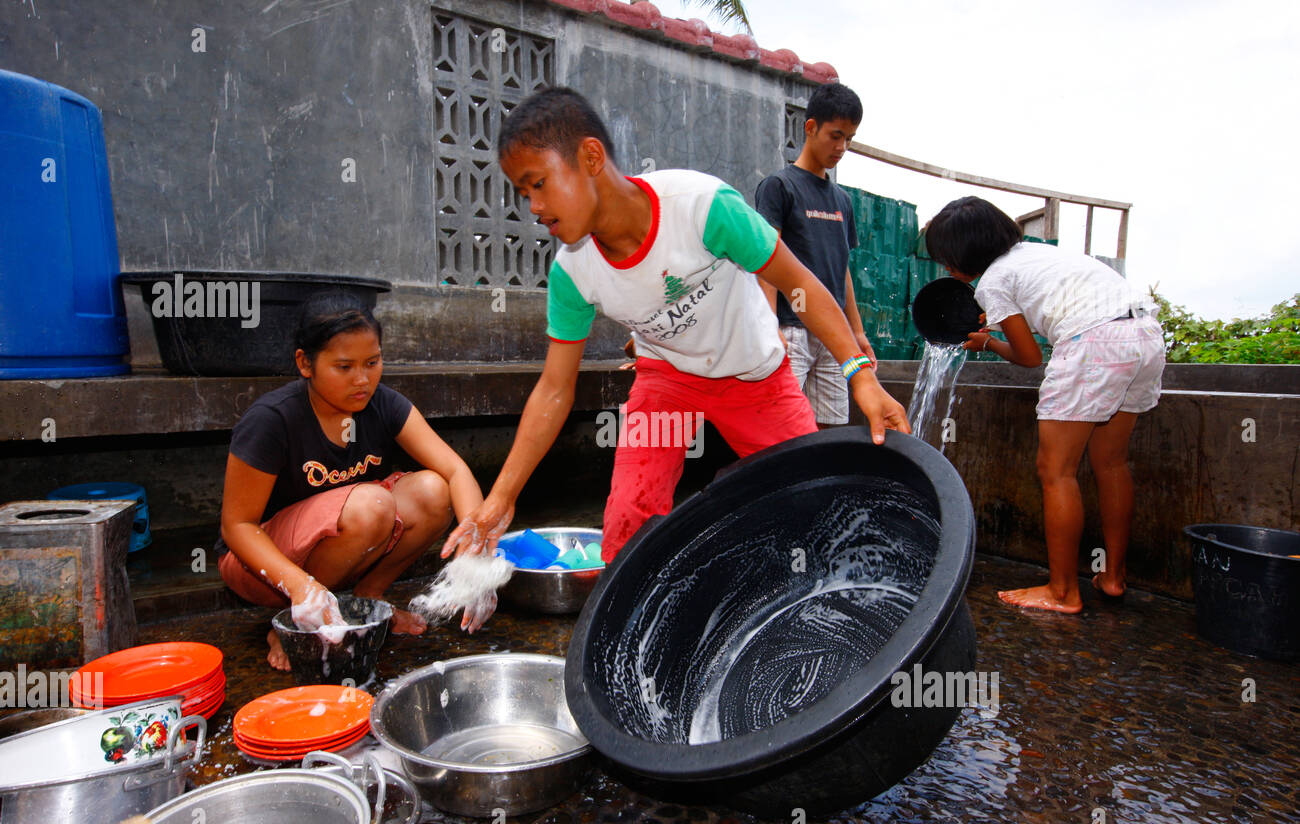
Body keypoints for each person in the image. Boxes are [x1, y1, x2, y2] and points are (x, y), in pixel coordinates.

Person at [443, 87, 910, 564]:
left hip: (756, 377)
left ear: (590, 157)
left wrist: (861, 376)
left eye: (538, 184)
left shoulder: (701, 206)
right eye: (524, 194)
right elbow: (555, 389)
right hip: (667, 382)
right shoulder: (572, 272)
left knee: (811, 505)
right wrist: (501, 497)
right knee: (628, 521)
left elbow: (801, 286)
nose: (534, 208)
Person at [218, 290, 488, 669]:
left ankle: (368, 601)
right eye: (344, 367)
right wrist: (301, 588)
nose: (362, 380)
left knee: (433, 491)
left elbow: (456, 470)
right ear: (305, 363)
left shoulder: (385, 404)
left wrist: (477, 558)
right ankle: (293, 623)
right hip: (257, 566)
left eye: (373, 362)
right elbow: (237, 526)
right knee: (372, 505)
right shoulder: (271, 420)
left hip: (348, 535)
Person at [924, 196, 1166, 612]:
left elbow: (1028, 357)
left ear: (965, 252)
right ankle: (1112, 576)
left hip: (1092, 343)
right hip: (1143, 333)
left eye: (946, 258)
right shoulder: (1036, 253)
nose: (945, 268)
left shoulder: (993, 282)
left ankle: (1063, 592)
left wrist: (989, 343)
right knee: (1111, 463)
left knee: (1055, 472)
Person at [755, 82, 874, 426]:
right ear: (810, 127)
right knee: (781, 427)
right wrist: (769, 323)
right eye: (835, 135)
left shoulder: (843, 201)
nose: (842, 147)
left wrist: (857, 332)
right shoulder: (779, 187)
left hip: (833, 334)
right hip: (792, 328)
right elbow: (765, 261)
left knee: (831, 432)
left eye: (849, 138)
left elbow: (843, 269)